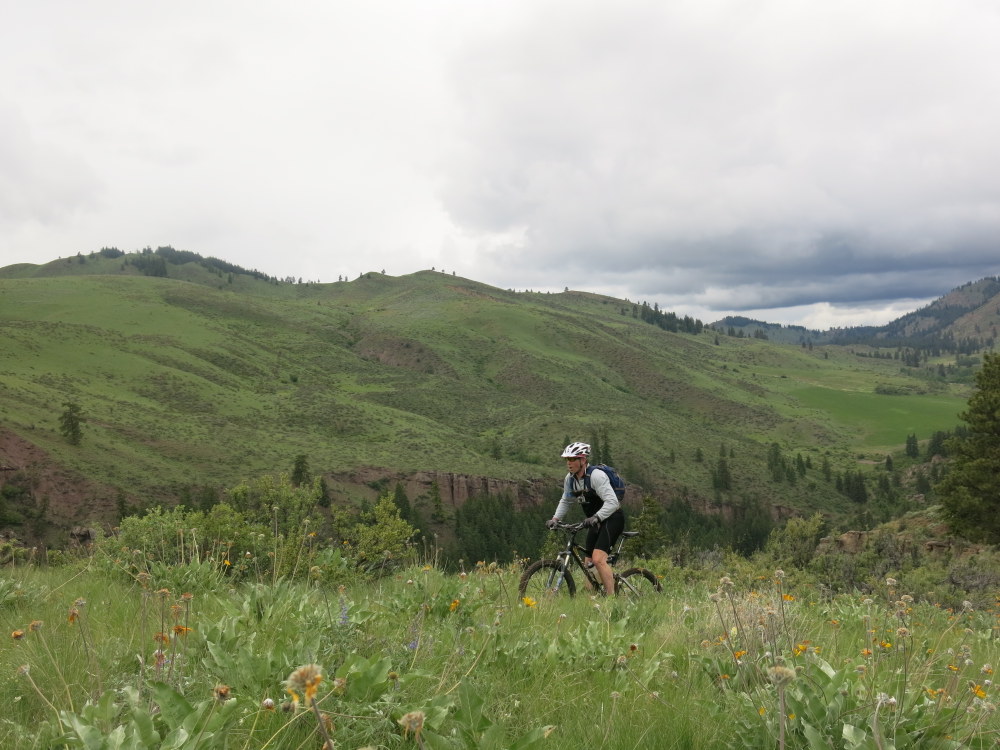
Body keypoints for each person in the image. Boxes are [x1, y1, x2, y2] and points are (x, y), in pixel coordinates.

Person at [545, 441, 625, 595]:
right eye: (567, 459)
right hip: (594, 522)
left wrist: (597, 517)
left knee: (598, 559)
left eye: (573, 459)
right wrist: (555, 519)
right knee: (587, 563)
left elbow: (613, 502)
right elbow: (566, 500)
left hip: (612, 518)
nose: (569, 463)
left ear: (583, 460)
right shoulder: (570, 479)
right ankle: (592, 598)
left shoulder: (596, 476)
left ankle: (611, 600)